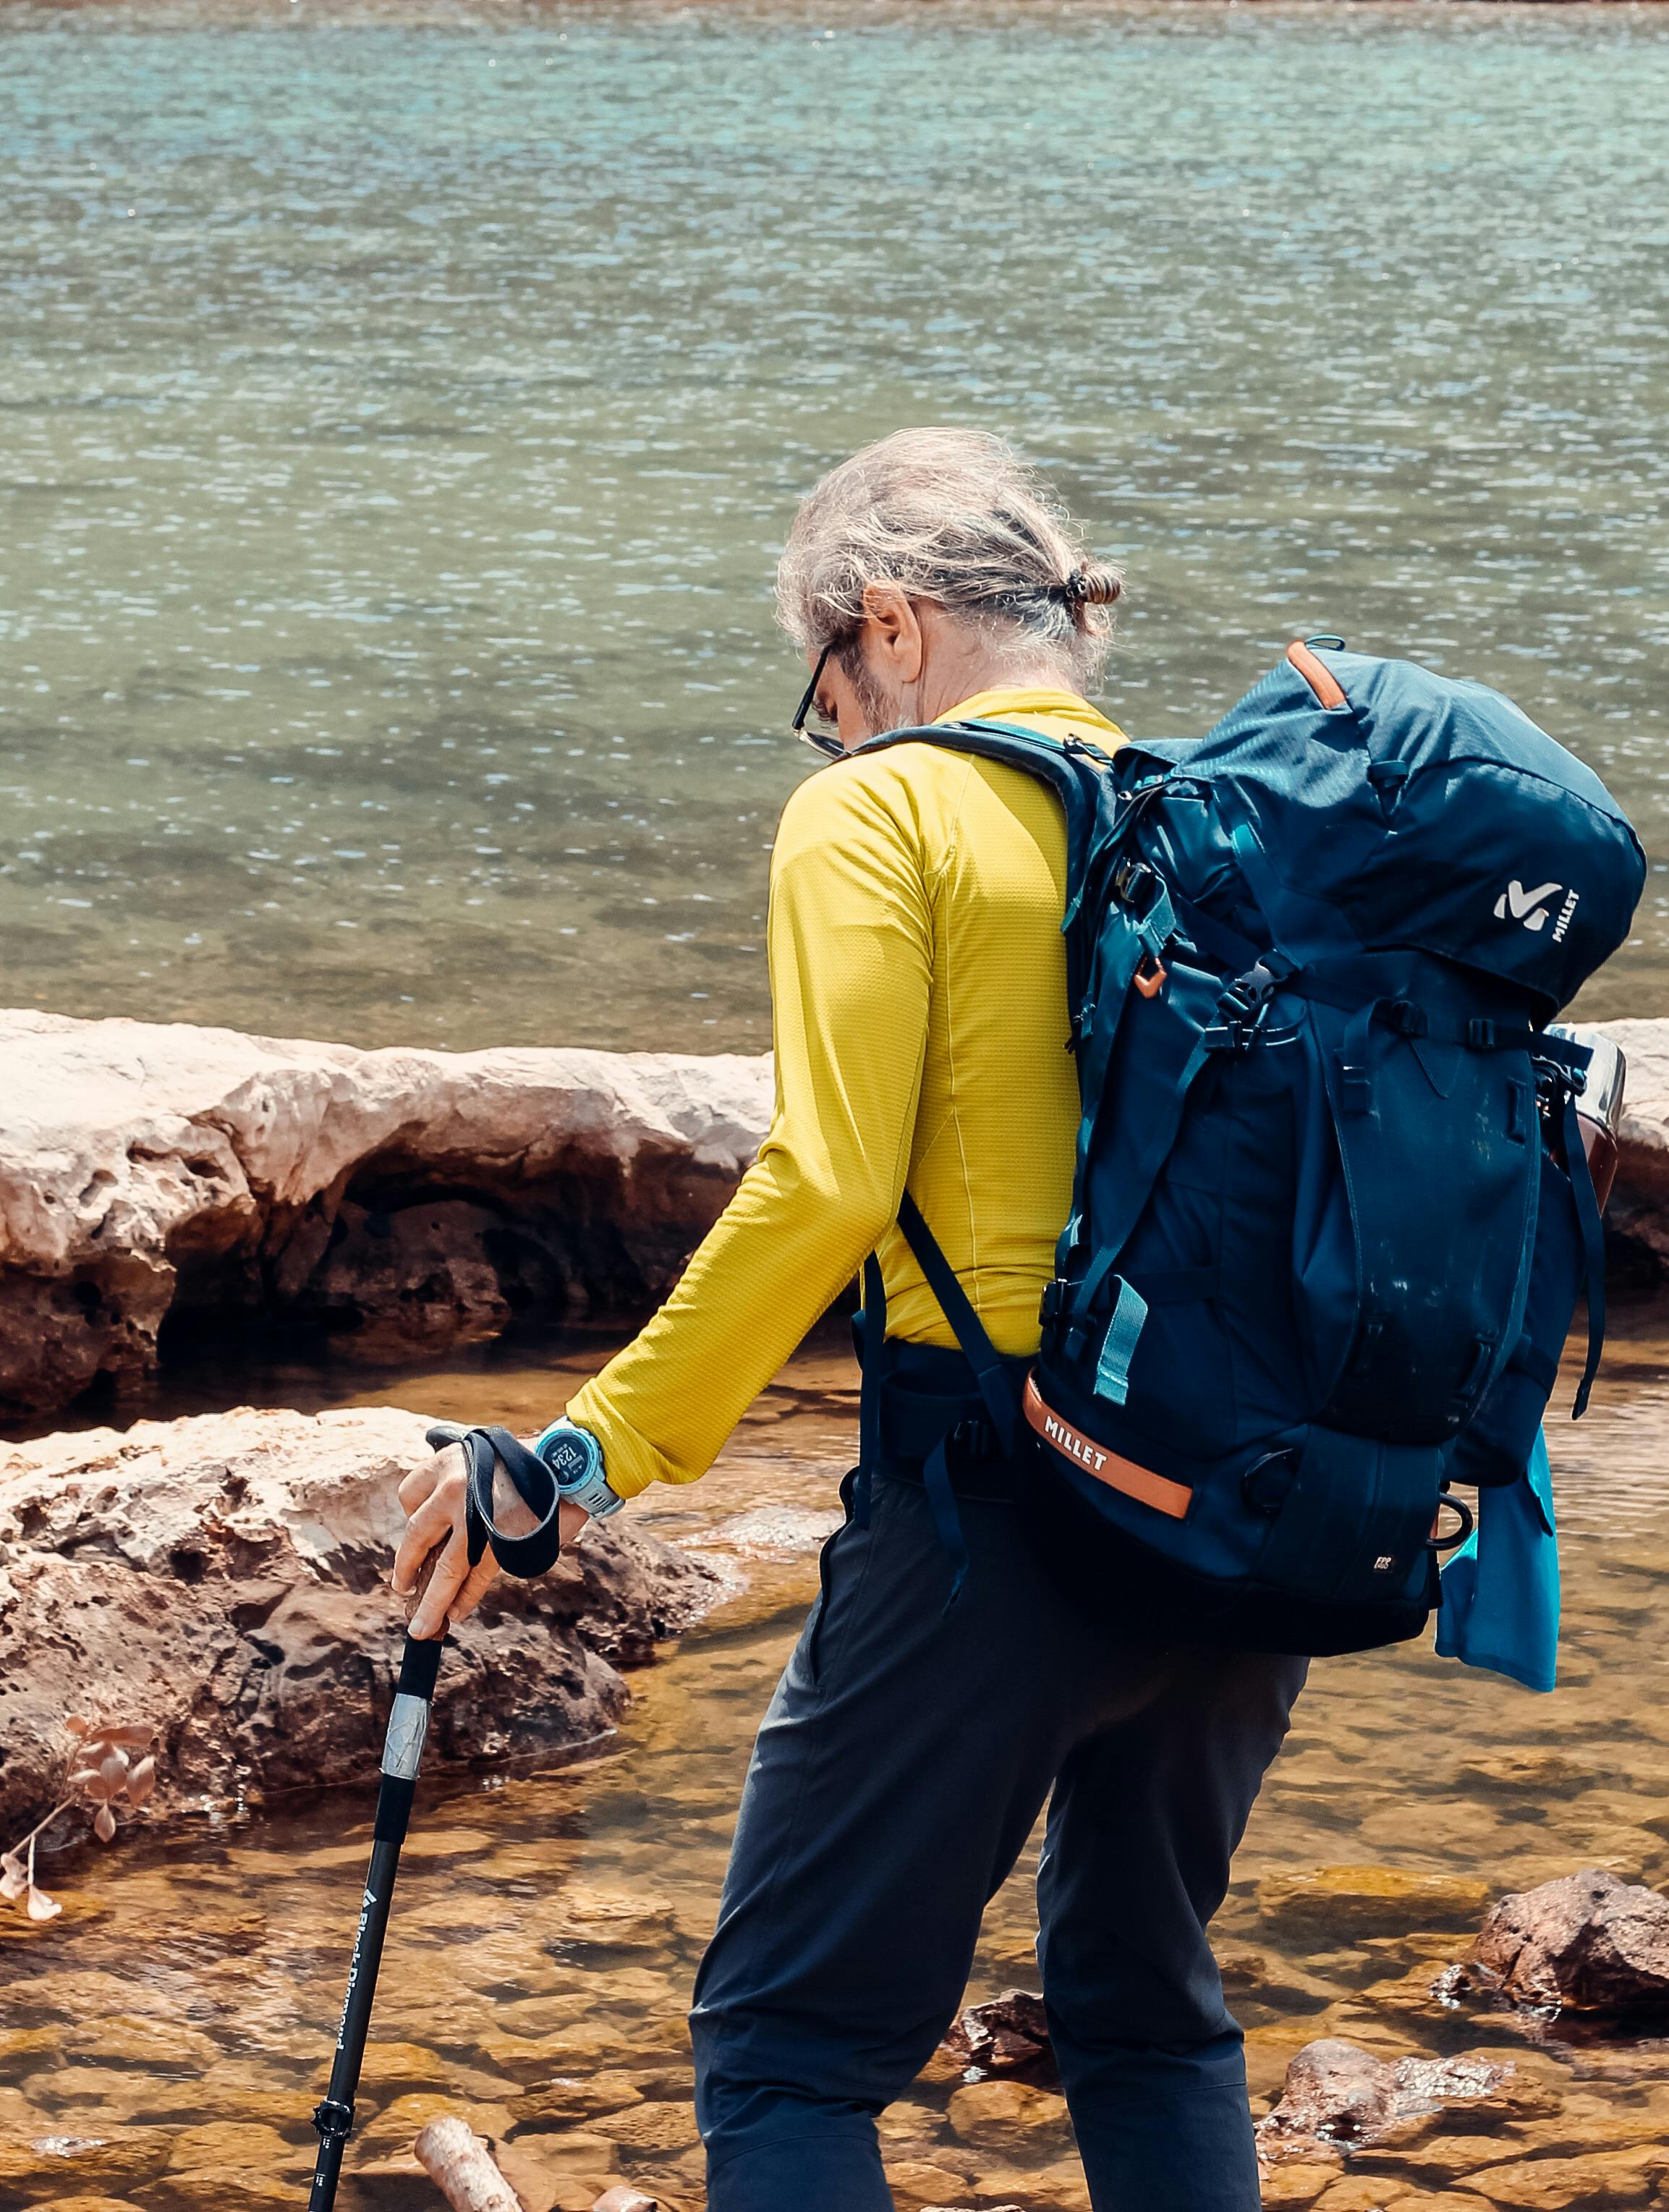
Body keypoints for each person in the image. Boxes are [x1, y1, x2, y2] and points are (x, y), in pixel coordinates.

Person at [394, 426, 1304, 2212]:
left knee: (791, 2050)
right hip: (1253, 1505)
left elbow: (826, 1182)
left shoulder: (880, 814)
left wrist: (583, 1460)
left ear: (885, 625)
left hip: (1002, 1509)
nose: (832, 729)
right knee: (1147, 2014)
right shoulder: (1225, 819)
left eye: (823, 688)